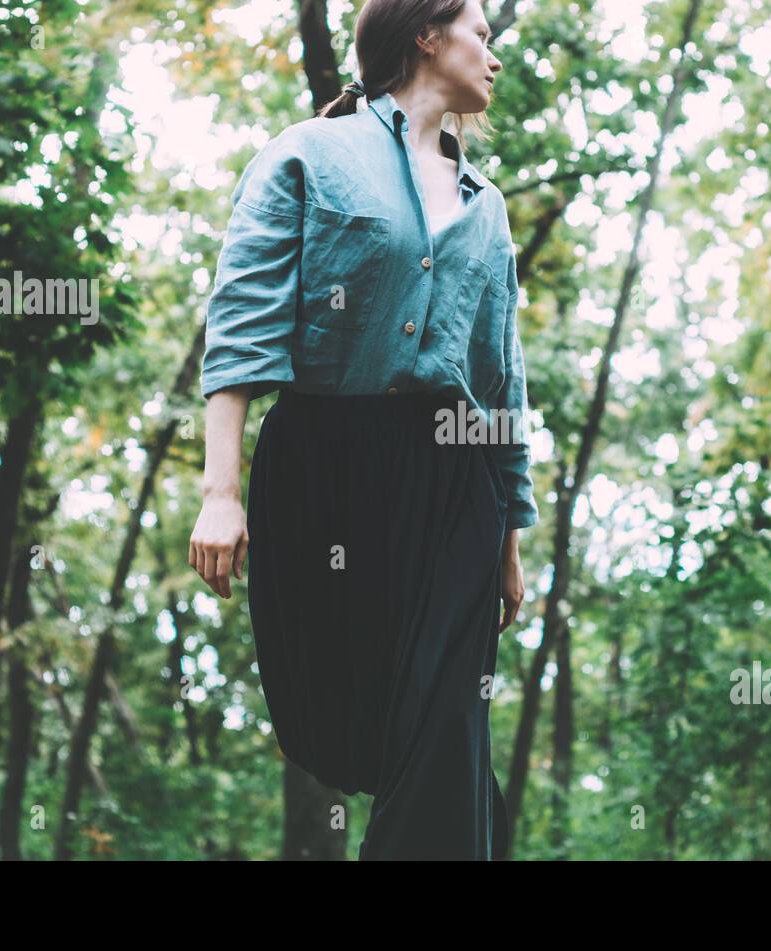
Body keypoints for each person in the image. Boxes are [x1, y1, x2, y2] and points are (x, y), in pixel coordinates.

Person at [187, 0, 538, 860]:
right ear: (426, 35)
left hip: (456, 483)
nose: (494, 59)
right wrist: (220, 492)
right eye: (481, 37)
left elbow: (500, 374)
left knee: (446, 711)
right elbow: (242, 322)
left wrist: (510, 533)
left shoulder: (485, 208)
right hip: (322, 467)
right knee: (357, 731)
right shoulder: (309, 155)